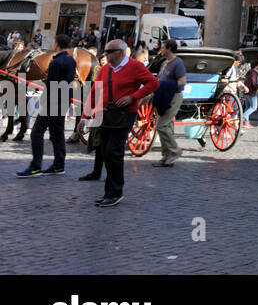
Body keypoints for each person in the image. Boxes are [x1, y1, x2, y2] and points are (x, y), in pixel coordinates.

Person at [85, 39, 158, 207]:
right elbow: (95, 92)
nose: (105, 55)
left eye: (109, 52)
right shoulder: (104, 69)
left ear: (119, 52)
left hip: (125, 114)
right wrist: (85, 117)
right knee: (105, 151)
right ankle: (109, 191)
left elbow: (153, 83)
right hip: (105, 113)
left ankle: (116, 191)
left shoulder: (135, 66)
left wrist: (133, 97)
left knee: (113, 151)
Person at [16, 34, 78, 177]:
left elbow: (52, 83)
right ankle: (59, 165)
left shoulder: (56, 61)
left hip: (53, 101)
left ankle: (35, 166)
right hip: (64, 100)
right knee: (57, 133)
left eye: (54, 42)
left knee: (37, 132)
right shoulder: (71, 60)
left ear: (57, 45)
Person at [152, 39, 187, 167]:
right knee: (167, 127)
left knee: (161, 126)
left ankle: (175, 151)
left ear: (169, 49)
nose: (160, 49)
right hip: (163, 97)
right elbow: (159, 79)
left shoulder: (178, 63)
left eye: (163, 47)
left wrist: (165, 86)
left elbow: (182, 81)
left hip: (173, 96)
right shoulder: (164, 63)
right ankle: (167, 156)